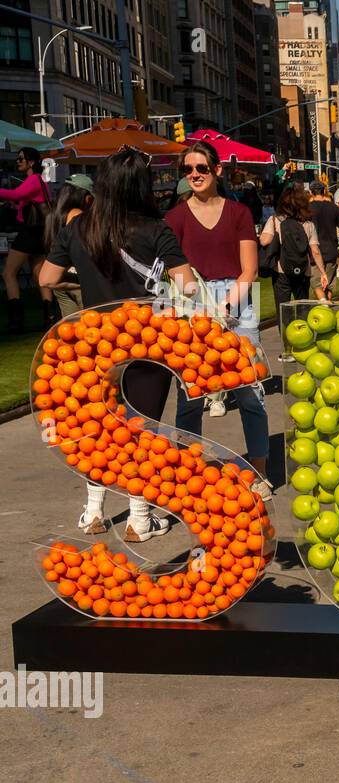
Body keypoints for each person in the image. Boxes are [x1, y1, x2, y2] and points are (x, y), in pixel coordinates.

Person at [40, 146, 196, 542]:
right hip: (145, 344)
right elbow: (188, 285)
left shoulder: (76, 228)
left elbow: (46, 278)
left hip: (93, 345)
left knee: (97, 427)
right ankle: (139, 518)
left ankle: (93, 511)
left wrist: (85, 282)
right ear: (141, 186)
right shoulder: (155, 228)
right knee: (142, 430)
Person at [164, 141, 271, 496]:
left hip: (238, 300)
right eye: (188, 170)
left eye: (201, 169)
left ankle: (259, 473)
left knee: (249, 391)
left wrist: (225, 308)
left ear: (217, 171)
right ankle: (186, 472)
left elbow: (249, 270)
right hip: (191, 300)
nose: (194, 175)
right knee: (190, 394)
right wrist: (202, 305)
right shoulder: (175, 218)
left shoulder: (239, 214)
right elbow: (173, 270)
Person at [2, 147, 54, 333]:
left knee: (8, 273)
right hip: (39, 233)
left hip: (29, 234)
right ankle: (49, 318)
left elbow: (16, 195)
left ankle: (16, 320)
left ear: (31, 162)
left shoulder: (33, 179)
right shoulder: (39, 181)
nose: (17, 161)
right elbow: (22, 202)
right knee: (39, 275)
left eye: (21, 158)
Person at [260, 185, 331, 315]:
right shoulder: (308, 224)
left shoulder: (275, 220)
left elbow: (264, 241)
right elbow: (315, 251)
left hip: (281, 270)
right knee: (303, 308)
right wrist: (323, 272)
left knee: (283, 310)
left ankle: (286, 335)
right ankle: (303, 333)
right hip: (303, 271)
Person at [42, 175, 94, 318]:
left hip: (59, 281)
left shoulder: (52, 216)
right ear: (86, 198)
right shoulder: (79, 218)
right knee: (90, 330)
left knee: (70, 333)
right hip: (80, 281)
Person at [307, 180, 339, 298]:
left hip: (313, 250)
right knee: (328, 283)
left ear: (311, 192)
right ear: (324, 191)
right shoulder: (333, 208)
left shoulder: (307, 209)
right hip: (331, 250)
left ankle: (324, 306)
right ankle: (327, 305)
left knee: (317, 284)